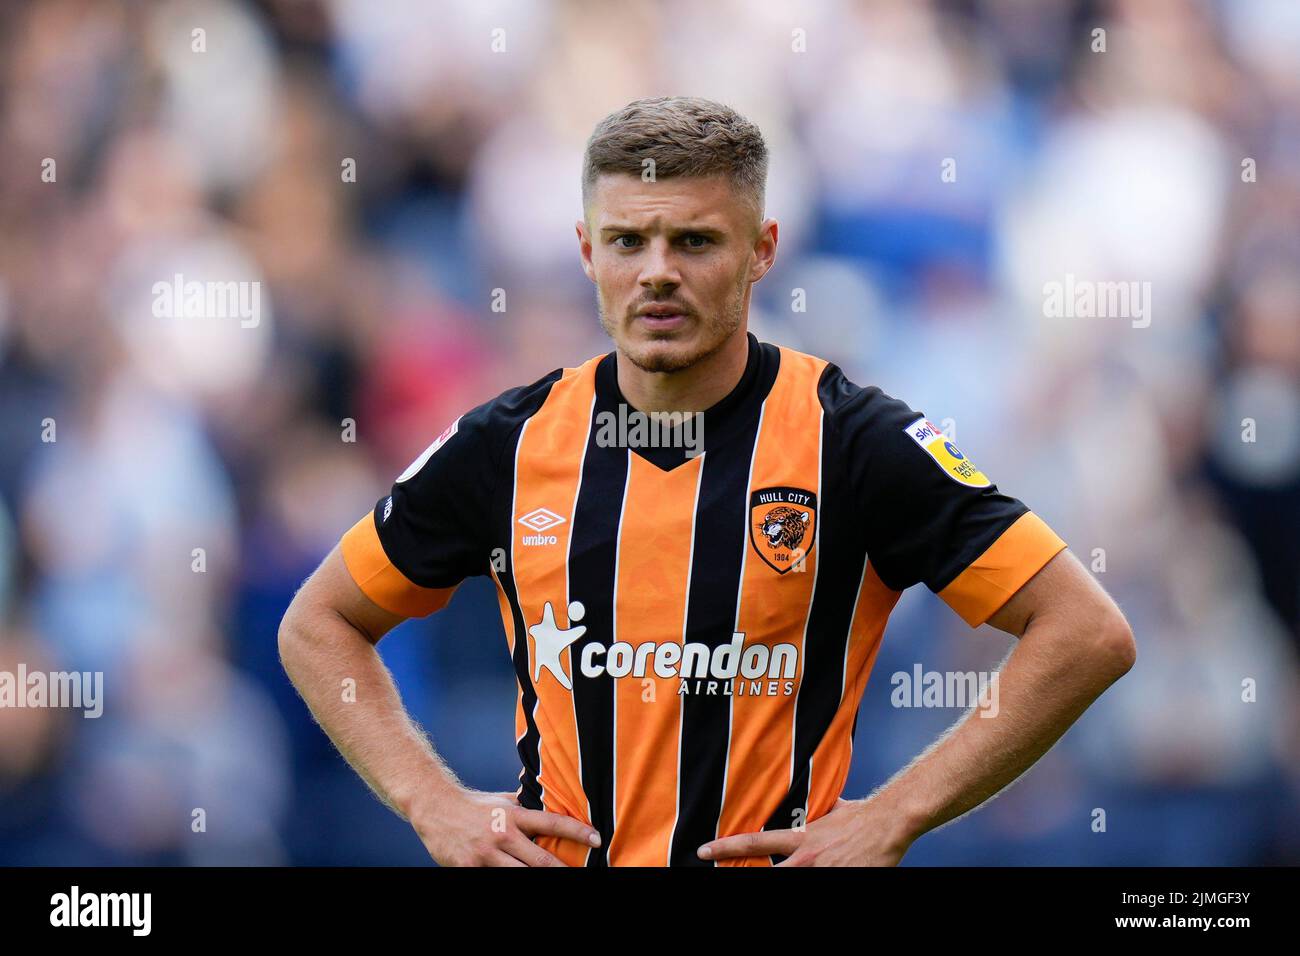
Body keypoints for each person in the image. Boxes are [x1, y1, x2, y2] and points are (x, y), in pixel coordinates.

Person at [278, 96, 1136, 867]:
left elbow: (1085, 632)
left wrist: (897, 814)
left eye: (694, 240)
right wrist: (429, 802)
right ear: (587, 251)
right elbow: (319, 625)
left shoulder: (854, 441)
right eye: (627, 241)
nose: (657, 271)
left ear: (762, 250)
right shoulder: (509, 442)